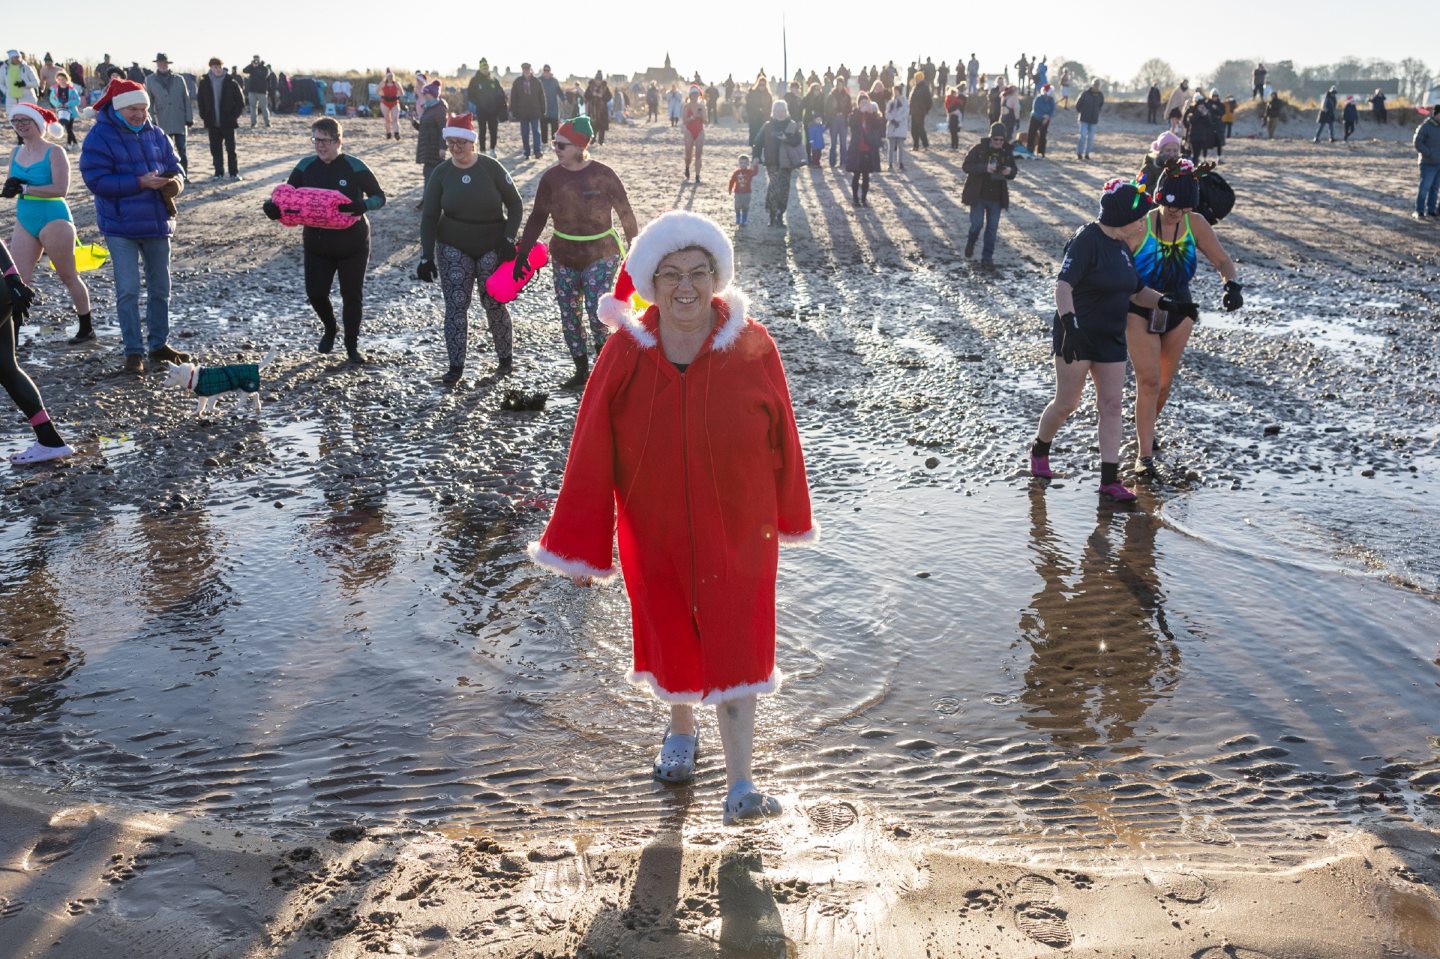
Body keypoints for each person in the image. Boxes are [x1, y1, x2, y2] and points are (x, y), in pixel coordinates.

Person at [528, 209, 816, 826]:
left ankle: (741, 786)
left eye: (698, 273)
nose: (685, 287)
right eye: (670, 275)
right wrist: (583, 547)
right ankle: (680, 734)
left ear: (718, 277)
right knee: (669, 633)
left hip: (741, 529)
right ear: (650, 284)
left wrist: (790, 512)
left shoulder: (752, 344)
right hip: (651, 528)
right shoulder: (624, 352)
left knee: (738, 642)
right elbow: (590, 448)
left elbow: (784, 434)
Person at [1029, 179, 1198, 502]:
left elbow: (1136, 289)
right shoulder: (1085, 241)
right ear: (1122, 218)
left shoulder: (1123, 247)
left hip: (1111, 336)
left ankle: (1110, 480)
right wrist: (1069, 324)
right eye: (1138, 219)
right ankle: (1039, 449)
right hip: (1077, 335)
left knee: (1112, 405)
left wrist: (1169, 304)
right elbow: (1063, 286)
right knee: (1067, 404)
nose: (1142, 224)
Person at [1126, 162, 1240, 477]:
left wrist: (1231, 285)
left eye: (1183, 206)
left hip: (1180, 309)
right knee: (1148, 381)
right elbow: (1118, 265)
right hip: (1138, 307)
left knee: (1163, 384)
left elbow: (1222, 259)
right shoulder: (1142, 224)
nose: (1175, 212)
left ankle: (1146, 430)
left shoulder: (1196, 223)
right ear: (1159, 197)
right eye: (1168, 204)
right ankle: (1144, 455)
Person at [511, 115, 638, 389]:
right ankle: (581, 370)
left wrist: (637, 250)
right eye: (554, 143)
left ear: (580, 147)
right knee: (569, 313)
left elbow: (626, 213)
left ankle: (607, 370)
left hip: (601, 252)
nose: (555, 149)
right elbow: (537, 217)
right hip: (564, 254)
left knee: (597, 310)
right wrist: (522, 253)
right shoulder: (551, 178)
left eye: (561, 145)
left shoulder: (603, 174)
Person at [79, 78, 189, 374]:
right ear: (118, 109)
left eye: (143, 108)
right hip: (120, 226)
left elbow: (176, 167)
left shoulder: (156, 133)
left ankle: (158, 345)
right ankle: (133, 351)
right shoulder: (99, 136)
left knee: (160, 288)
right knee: (127, 290)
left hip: (157, 222)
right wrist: (139, 182)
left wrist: (174, 183)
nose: (140, 114)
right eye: (133, 109)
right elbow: (95, 180)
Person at [263, 117, 385, 365]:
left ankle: (352, 347)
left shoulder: (354, 166)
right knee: (316, 293)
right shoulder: (305, 166)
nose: (320, 146)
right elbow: (286, 198)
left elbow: (379, 197)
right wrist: (272, 208)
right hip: (317, 242)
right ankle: (330, 328)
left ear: (339, 141)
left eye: (325, 141)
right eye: (316, 140)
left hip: (353, 242)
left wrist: (362, 205)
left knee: (352, 295)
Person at [415, 113, 523, 383]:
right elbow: (429, 216)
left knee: (494, 304)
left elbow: (516, 204)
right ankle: (455, 367)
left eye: (461, 142)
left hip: (492, 246)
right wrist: (426, 256)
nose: (455, 148)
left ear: (472, 142)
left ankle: (505, 360)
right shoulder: (441, 173)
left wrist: (509, 239)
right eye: (450, 142)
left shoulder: (491, 167)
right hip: (453, 246)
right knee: (456, 306)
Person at [4, 102, 95, 344]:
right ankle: (12, 335)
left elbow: (60, 189)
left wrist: (24, 187)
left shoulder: (54, 152)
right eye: (16, 121)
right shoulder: (15, 153)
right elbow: (13, 184)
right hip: (25, 217)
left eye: (26, 120)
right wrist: (10, 189)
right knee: (15, 280)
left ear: (39, 124)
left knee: (68, 275)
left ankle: (86, 327)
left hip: (53, 217)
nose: (21, 125)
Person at [1, 238, 74, 465]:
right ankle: (50, 441)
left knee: (7, 368)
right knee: (6, 368)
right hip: (3, 290)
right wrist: (13, 279)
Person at [961, 123, 1018, 270]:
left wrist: (1009, 171)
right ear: (990, 137)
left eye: (1001, 140)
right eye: (995, 139)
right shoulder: (979, 149)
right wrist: (985, 168)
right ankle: (971, 242)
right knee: (976, 225)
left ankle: (987, 258)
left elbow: (1014, 171)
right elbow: (966, 166)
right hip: (978, 195)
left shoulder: (1006, 151)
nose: (998, 142)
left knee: (992, 230)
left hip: (997, 198)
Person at [754, 100, 803, 227]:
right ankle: (772, 215)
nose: (780, 113)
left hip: (787, 164)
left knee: (784, 190)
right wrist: (756, 156)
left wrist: (786, 139)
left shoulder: (791, 125)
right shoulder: (767, 125)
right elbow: (757, 142)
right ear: (773, 112)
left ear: (786, 112)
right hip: (772, 163)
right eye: (777, 111)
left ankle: (780, 215)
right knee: (774, 188)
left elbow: (798, 140)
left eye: (782, 111)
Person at [144, 54, 192, 175]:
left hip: (179, 119)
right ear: (157, 64)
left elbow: (186, 99)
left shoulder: (179, 79)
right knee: (165, 150)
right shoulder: (150, 80)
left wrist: (189, 118)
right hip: (162, 120)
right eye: (160, 63)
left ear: (168, 64)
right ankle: (169, 175)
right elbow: (148, 102)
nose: (162, 65)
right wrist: (151, 120)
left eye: (164, 63)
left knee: (182, 149)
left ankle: (184, 174)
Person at [197, 57, 244, 179]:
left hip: (228, 123)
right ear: (211, 68)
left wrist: (234, 116)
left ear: (222, 67)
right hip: (212, 123)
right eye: (214, 67)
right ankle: (218, 173)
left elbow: (240, 101)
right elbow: (200, 100)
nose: (217, 69)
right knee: (216, 150)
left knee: (231, 150)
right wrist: (204, 115)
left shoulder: (231, 82)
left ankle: (234, 173)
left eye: (219, 67)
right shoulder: (204, 82)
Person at [412, 80, 446, 207]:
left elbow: (444, 129)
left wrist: (443, 147)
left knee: (430, 175)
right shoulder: (429, 108)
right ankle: (427, 200)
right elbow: (424, 128)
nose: (424, 97)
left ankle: (428, 201)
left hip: (435, 149)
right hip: (428, 148)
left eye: (426, 95)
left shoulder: (439, 110)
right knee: (428, 175)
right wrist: (414, 122)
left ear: (433, 95)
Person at [846, 93, 883, 207]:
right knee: (856, 175)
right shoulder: (855, 114)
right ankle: (855, 198)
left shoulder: (872, 115)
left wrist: (873, 114)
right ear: (858, 104)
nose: (864, 104)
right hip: (857, 149)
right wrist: (860, 112)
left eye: (866, 102)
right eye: (862, 102)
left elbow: (879, 126)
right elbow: (852, 124)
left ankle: (864, 198)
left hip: (868, 149)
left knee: (866, 176)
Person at [467, 60, 506, 155]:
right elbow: (470, 95)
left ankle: (492, 149)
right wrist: (478, 103)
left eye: (486, 68)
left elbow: (501, 93)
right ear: (480, 68)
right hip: (481, 110)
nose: (485, 70)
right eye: (483, 68)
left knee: (493, 131)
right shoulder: (475, 80)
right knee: (482, 131)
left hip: (493, 111)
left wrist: (500, 105)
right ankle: (483, 151)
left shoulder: (493, 79)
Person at [510, 62, 545, 160]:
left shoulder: (537, 82)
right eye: (524, 69)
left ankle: (537, 151)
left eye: (528, 69)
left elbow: (541, 96)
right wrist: (514, 111)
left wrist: (543, 109)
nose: (526, 70)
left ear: (530, 69)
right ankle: (527, 151)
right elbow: (513, 97)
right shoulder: (517, 82)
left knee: (536, 132)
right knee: (525, 133)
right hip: (523, 112)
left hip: (535, 111)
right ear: (522, 70)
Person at [1415, 103, 1440, 221]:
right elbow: (1417, 143)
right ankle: (1419, 211)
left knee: (1435, 189)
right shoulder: (1425, 126)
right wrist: (1429, 153)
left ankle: (1431, 210)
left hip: (1439, 163)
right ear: (1437, 114)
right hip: (1428, 163)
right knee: (1424, 187)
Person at [48, 71, 82, 148]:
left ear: (66, 79)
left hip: (71, 112)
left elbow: (77, 100)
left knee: (69, 128)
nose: (61, 80)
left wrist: (68, 104)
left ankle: (69, 144)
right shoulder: (54, 89)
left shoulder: (72, 89)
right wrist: (58, 104)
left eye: (63, 79)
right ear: (56, 80)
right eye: (59, 79)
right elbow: (51, 99)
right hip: (61, 111)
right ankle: (75, 143)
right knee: (68, 128)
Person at [682, 85, 706, 181]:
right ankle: (687, 167)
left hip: (699, 130)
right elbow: (684, 120)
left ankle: (697, 175)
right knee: (688, 153)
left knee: (698, 153)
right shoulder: (686, 106)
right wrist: (692, 117)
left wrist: (700, 116)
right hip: (689, 130)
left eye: (696, 94)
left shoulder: (701, 106)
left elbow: (706, 120)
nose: (695, 96)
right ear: (690, 95)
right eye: (693, 94)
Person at [826, 76, 851, 168]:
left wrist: (844, 113)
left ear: (843, 85)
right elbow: (827, 108)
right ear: (835, 85)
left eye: (841, 84)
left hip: (843, 120)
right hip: (833, 120)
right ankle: (832, 162)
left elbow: (849, 108)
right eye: (838, 84)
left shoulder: (847, 96)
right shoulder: (831, 95)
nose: (839, 86)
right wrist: (833, 114)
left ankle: (843, 161)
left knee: (843, 142)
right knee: (833, 142)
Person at [1075, 80, 1103, 161]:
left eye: (1098, 84)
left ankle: (1087, 154)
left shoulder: (1100, 95)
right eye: (1095, 84)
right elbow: (1078, 104)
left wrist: (1096, 113)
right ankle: (1079, 153)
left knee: (1091, 138)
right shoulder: (1085, 93)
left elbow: (1100, 105)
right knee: (1083, 136)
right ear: (1092, 84)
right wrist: (1081, 112)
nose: (1096, 86)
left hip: (1094, 120)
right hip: (1083, 119)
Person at [4, 50, 39, 114]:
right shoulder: (4, 69)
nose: (18, 59)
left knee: (30, 116)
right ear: (11, 58)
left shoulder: (27, 68)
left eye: (18, 57)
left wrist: (25, 84)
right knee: (12, 116)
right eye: (15, 57)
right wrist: (6, 91)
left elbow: (36, 83)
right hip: (11, 99)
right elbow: (1, 83)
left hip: (28, 97)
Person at [884, 82, 908, 171]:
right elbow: (887, 113)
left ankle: (900, 163)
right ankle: (890, 163)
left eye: (896, 91)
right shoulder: (890, 102)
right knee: (891, 147)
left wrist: (897, 120)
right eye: (894, 91)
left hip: (900, 126)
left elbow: (905, 113)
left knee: (900, 147)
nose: (895, 92)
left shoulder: (904, 101)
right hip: (891, 126)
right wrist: (892, 119)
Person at [1026, 83, 1055, 157]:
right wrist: (1043, 116)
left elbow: (1052, 110)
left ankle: (1041, 151)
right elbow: (1036, 110)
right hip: (1035, 118)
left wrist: (1047, 117)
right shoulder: (1038, 99)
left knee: (1043, 135)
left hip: (1046, 119)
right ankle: (1030, 150)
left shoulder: (1051, 100)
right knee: (1031, 134)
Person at [728, 153, 758, 224]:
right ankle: (738, 217)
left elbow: (755, 172)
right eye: (741, 163)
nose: (743, 164)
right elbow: (732, 181)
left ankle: (744, 219)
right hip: (738, 192)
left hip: (747, 193)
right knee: (737, 206)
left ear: (748, 164)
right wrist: (730, 189)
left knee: (745, 207)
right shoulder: (736, 172)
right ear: (738, 163)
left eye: (745, 163)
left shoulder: (749, 172)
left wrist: (755, 165)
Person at [745, 73, 772, 145]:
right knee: (754, 135)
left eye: (763, 85)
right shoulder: (752, 93)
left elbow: (770, 107)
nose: (761, 87)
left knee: (763, 136)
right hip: (754, 118)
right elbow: (748, 105)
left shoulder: (768, 95)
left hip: (764, 118)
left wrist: (767, 116)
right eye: (760, 84)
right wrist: (752, 114)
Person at [244, 55, 271, 128]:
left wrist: (257, 67)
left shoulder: (264, 68)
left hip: (262, 91)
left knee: (264, 108)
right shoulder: (251, 67)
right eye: (254, 59)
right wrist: (251, 65)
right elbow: (244, 70)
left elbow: (263, 75)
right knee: (252, 108)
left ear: (260, 60)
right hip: (252, 91)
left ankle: (267, 123)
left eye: (257, 59)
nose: (256, 61)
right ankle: (253, 123)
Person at [585, 72, 611, 146]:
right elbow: (586, 95)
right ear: (595, 79)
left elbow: (609, 97)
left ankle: (601, 141)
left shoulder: (605, 87)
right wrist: (592, 94)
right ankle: (592, 141)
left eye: (599, 80)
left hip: (602, 110)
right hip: (593, 111)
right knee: (593, 127)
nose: (598, 81)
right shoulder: (590, 87)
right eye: (597, 79)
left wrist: (601, 96)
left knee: (602, 127)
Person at [909, 71, 932, 151]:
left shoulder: (924, 88)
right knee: (913, 129)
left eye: (916, 78)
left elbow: (929, 101)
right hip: (914, 112)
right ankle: (916, 146)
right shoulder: (915, 87)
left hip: (920, 112)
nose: (915, 80)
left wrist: (925, 110)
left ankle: (926, 145)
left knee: (920, 129)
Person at [540, 65, 562, 144]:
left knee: (555, 128)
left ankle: (554, 142)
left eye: (548, 71)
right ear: (543, 71)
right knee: (543, 128)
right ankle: (544, 142)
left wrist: (564, 99)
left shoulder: (554, 81)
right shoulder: (539, 80)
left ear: (550, 71)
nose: (546, 72)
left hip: (554, 108)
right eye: (545, 71)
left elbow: (559, 91)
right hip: (543, 108)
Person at [379, 70, 402, 140]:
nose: (390, 77)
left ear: (393, 76)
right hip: (385, 103)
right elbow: (376, 91)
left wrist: (397, 95)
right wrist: (382, 95)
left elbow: (402, 92)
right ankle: (388, 133)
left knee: (395, 118)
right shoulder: (383, 83)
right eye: (389, 76)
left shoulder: (396, 84)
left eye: (391, 76)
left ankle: (396, 133)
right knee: (387, 119)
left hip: (394, 102)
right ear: (386, 76)